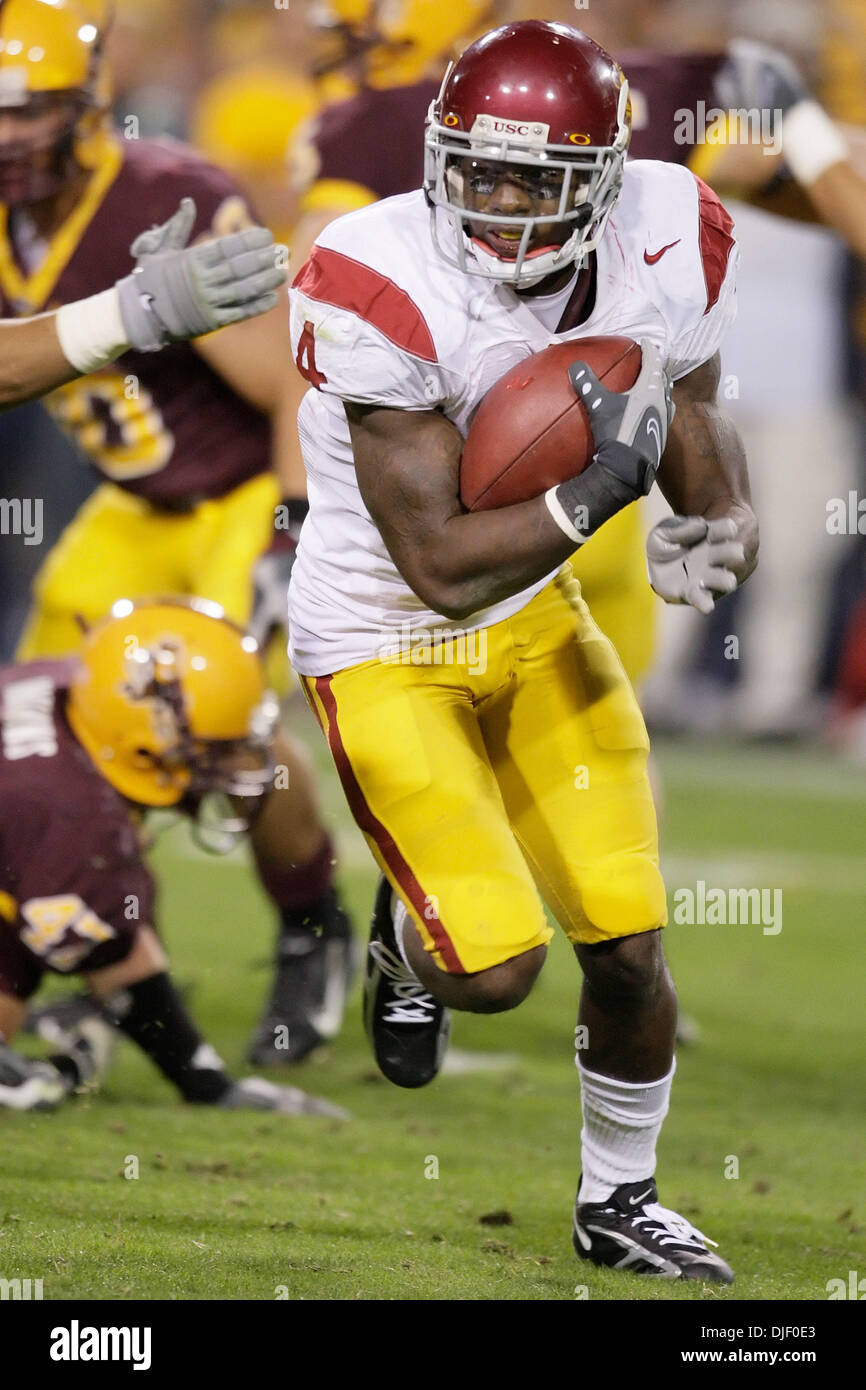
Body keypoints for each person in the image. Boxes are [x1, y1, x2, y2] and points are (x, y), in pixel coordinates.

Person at [288, 20, 758, 1281]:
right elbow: (438, 563)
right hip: (385, 635)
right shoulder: (373, 270)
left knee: (627, 939)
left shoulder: (669, 225)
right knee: (492, 972)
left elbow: (690, 401)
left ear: (602, 175)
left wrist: (715, 525)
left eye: (530, 180)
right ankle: (401, 938)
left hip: (537, 621)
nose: (495, 204)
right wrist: (600, 492)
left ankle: (618, 1201)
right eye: (474, 170)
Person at [0, 0, 356, 1061]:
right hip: (131, 503)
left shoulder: (169, 196)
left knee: (222, 733)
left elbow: (291, 382)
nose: (10, 135)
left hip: (236, 494)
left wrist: (291, 534)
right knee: (33, 748)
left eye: (33, 113)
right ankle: (95, 960)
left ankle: (311, 926)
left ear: (89, 104)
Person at [0, 598, 347, 1120]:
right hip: (52, 835)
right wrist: (206, 1084)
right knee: (29, 1081)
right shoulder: (73, 818)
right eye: (221, 748)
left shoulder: (64, 686)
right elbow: (118, 963)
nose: (240, 764)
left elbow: (112, 934)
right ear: (144, 741)